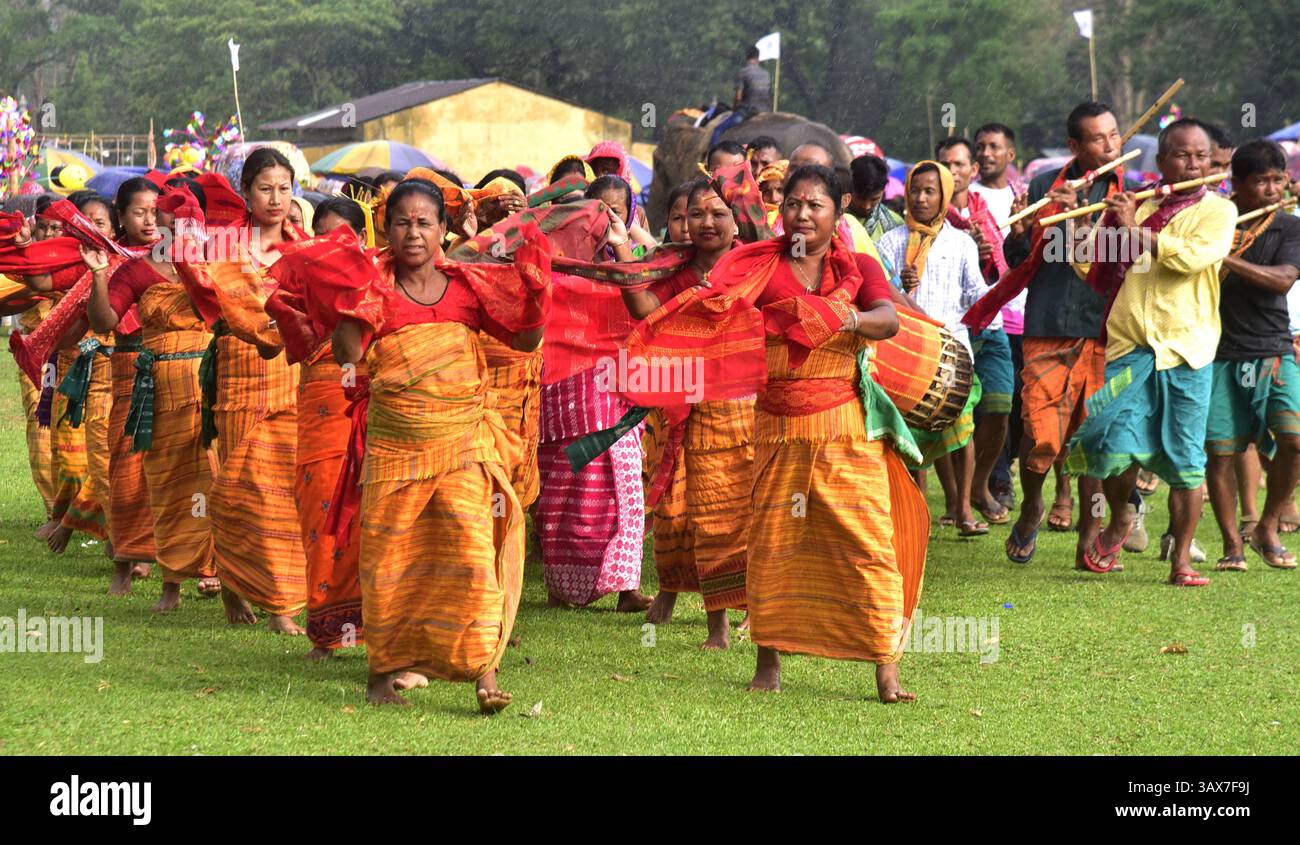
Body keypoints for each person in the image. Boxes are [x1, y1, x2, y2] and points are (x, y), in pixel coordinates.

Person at [321, 179, 548, 709]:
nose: (414, 232)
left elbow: (524, 339)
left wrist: (538, 292)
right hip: (395, 451)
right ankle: (381, 678)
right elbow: (348, 356)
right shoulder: (372, 289)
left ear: (444, 231)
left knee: (473, 556)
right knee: (389, 562)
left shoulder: (468, 288)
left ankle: (485, 676)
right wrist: (349, 302)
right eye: (402, 222)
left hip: (463, 444)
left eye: (425, 222)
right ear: (388, 229)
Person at [721, 165, 925, 701]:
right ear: (780, 210)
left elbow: (888, 319)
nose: (803, 214)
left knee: (868, 541)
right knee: (772, 541)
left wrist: (839, 319)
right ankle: (768, 661)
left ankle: (886, 667)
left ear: (840, 211)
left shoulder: (857, 265)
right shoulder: (759, 268)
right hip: (778, 427)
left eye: (816, 205)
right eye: (793, 204)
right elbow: (720, 313)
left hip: (845, 427)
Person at [1065, 118, 1237, 585]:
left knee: (1185, 460)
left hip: (1188, 350)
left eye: (1202, 156)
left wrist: (1131, 228)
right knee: (1107, 441)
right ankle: (1123, 516)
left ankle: (1181, 560)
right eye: (1183, 155)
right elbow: (1089, 265)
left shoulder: (1219, 211)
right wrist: (1081, 217)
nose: (1195, 163)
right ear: (1162, 162)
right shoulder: (1138, 205)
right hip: (1130, 347)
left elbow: (1190, 258)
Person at [967, 102, 1125, 567]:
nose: (1111, 145)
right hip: (1047, 324)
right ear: (1075, 146)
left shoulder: (1128, 191)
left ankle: (1087, 541)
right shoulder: (1043, 185)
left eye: (1114, 135)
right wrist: (1024, 227)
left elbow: (1124, 256)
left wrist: (1093, 221)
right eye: (1099, 138)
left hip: (1103, 329)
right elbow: (1019, 258)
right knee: (1040, 436)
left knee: (1092, 439)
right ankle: (1034, 501)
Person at [622, 179, 755, 649]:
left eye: (718, 212)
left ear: (737, 218)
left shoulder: (756, 264)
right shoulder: (677, 272)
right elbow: (645, 310)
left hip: (753, 409)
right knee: (707, 511)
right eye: (695, 213)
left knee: (752, 512)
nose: (706, 222)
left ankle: (755, 608)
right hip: (692, 407)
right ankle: (715, 624)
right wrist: (624, 255)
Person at [86, 182, 218, 613]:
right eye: (166, 223)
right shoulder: (140, 270)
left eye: (184, 224)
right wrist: (100, 274)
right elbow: (105, 320)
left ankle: (213, 572)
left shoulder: (212, 267)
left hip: (207, 385)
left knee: (209, 479)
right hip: (156, 388)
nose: (168, 230)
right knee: (162, 482)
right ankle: (169, 584)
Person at [197, 149, 309, 631]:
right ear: (245, 192)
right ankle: (235, 585)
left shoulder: (303, 247)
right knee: (243, 487)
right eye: (266, 188)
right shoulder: (225, 250)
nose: (276, 198)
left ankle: (281, 602)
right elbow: (212, 304)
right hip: (239, 377)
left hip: (291, 376)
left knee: (283, 488)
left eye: (284, 188)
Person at [535, 180, 653, 612]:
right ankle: (559, 584)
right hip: (560, 389)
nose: (604, 221)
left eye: (616, 211)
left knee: (622, 478)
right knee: (561, 489)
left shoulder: (634, 262)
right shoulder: (554, 262)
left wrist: (622, 246)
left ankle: (627, 586)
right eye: (596, 212)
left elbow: (644, 302)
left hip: (614, 386)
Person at [879, 161, 990, 536]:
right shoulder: (890, 242)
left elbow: (976, 294)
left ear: (944, 195)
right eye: (916, 190)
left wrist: (1006, 288)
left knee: (962, 429)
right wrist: (900, 280)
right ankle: (916, 510)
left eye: (930, 191)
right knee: (908, 434)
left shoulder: (960, 243)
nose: (921, 198)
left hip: (953, 354)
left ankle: (962, 509)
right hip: (906, 356)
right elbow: (880, 293)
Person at [1204, 139, 1300, 571]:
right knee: (1220, 452)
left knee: (1295, 442)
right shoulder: (1214, 222)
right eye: (1260, 181)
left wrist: (1224, 260)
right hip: (1218, 353)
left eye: (1277, 179)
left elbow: (1282, 280)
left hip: (1274, 349)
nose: (1271, 189)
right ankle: (1232, 545)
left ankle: (1266, 526)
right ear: (1236, 184)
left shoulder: (1289, 227)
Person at [938, 137, 1013, 525]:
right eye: (944, 165)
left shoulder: (985, 214)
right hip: (951, 327)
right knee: (952, 414)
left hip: (992, 323)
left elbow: (1004, 269)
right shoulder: (930, 217)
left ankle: (979, 484)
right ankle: (956, 501)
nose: (953, 171)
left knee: (999, 407)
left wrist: (985, 254)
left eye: (959, 164)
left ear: (972, 171)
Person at [971, 123, 1027, 511]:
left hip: (1025, 314)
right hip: (988, 318)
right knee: (992, 402)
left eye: (995, 147)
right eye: (981, 147)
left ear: (1011, 156)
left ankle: (1003, 470)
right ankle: (998, 477)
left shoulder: (1023, 198)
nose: (986, 153)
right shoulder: (965, 199)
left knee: (1019, 403)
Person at [709, 46, 771, 146]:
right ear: (758, 58)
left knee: (718, 129)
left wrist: (734, 110)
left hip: (748, 111)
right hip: (765, 111)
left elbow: (738, 98)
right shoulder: (766, 73)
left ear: (747, 57)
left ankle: (710, 155)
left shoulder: (743, 72)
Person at [849, 154, 904, 243]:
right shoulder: (835, 220)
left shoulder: (896, 224)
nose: (866, 206)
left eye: (874, 199)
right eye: (861, 198)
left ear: (883, 191)